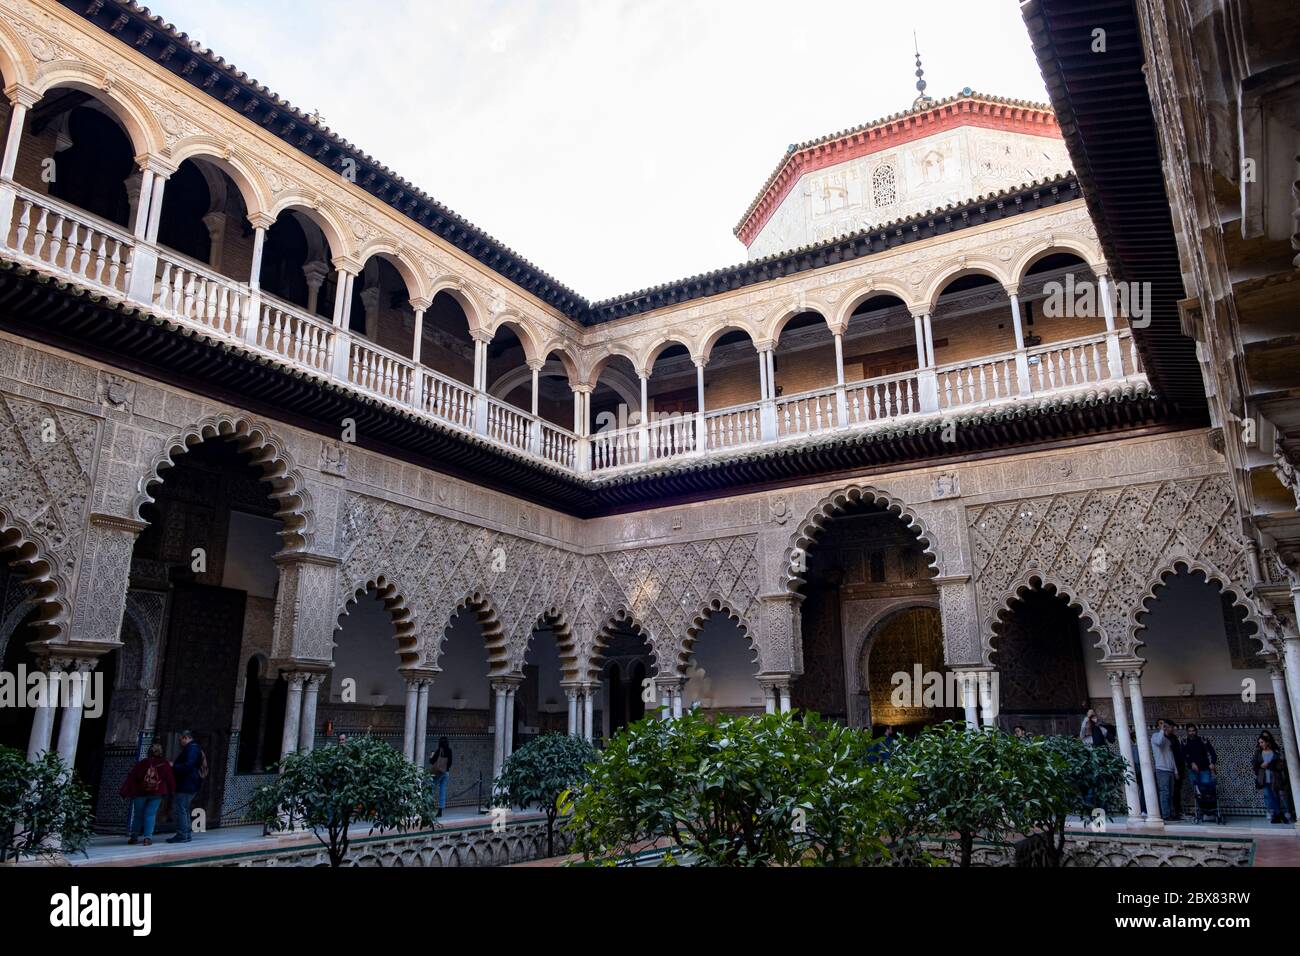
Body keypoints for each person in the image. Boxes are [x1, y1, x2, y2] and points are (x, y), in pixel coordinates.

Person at [120, 743, 175, 847]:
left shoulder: (142, 763)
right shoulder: (165, 764)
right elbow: (170, 779)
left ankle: (134, 837)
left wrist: (124, 792)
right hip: (156, 793)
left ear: (148, 752)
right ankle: (147, 838)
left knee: (138, 815)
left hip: (140, 793)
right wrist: (173, 792)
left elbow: (132, 778)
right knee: (150, 815)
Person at [168, 731, 204, 844]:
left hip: (187, 784)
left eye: (181, 740)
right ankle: (186, 834)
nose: (180, 742)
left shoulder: (192, 749)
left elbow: (188, 766)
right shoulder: (193, 748)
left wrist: (174, 766)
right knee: (184, 809)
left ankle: (182, 835)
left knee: (181, 809)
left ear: (186, 738)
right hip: (190, 783)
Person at [1253, 731, 1294, 824]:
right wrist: (1261, 765)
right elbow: (1254, 764)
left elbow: (1280, 764)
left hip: (1275, 778)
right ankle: (1280, 815)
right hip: (1264, 778)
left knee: (1276, 796)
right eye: (1259, 742)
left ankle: (1278, 816)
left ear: (1267, 741)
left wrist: (1273, 765)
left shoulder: (1275, 751)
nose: (1260, 744)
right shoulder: (1258, 752)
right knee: (1270, 796)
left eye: (1262, 742)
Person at [1150, 719, 1179, 820]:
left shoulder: (1167, 740)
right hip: (1161, 770)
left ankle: (1171, 813)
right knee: (1164, 793)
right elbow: (1158, 742)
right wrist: (1162, 729)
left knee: (1171, 794)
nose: (1171, 729)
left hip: (1170, 770)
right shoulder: (1155, 736)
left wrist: (1175, 771)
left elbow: (1171, 756)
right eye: (1169, 727)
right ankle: (1165, 815)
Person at [429, 736, 453, 817]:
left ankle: (429, 806)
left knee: (431, 788)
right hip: (446, 773)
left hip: (439, 772)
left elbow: (432, 762)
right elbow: (450, 763)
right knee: (442, 791)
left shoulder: (439, 751)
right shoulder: (449, 751)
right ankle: (440, 811)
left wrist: (431, 755)